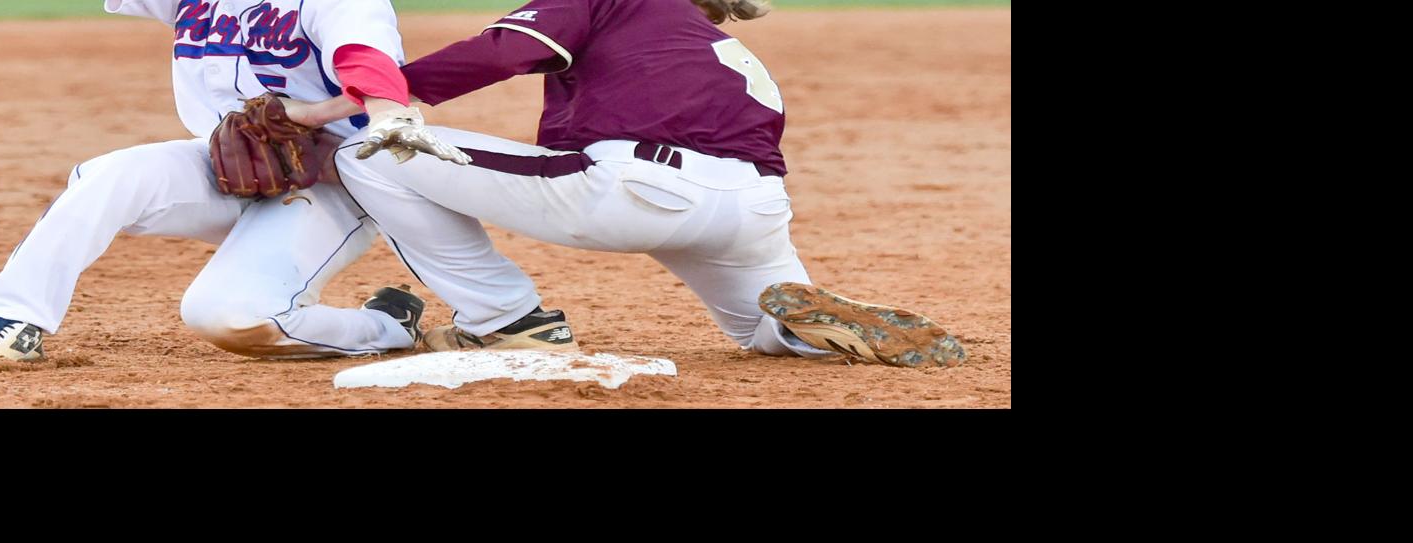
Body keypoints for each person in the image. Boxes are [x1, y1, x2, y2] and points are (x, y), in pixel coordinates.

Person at [288, 0, 965, 367]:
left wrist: (330, 110)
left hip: (633, 190)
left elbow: (504, 51)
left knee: (369, 153)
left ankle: (504, 322)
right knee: (759, 328)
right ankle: (799, 331)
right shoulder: (702, 39)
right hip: (753, 207)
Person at [0, 0, 465, 368]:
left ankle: (387, 325)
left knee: (231, 318)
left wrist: (308, 114)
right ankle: (11, 321)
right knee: (109, 174)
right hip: (223, 168)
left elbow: (374, 71)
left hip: (329, 182)